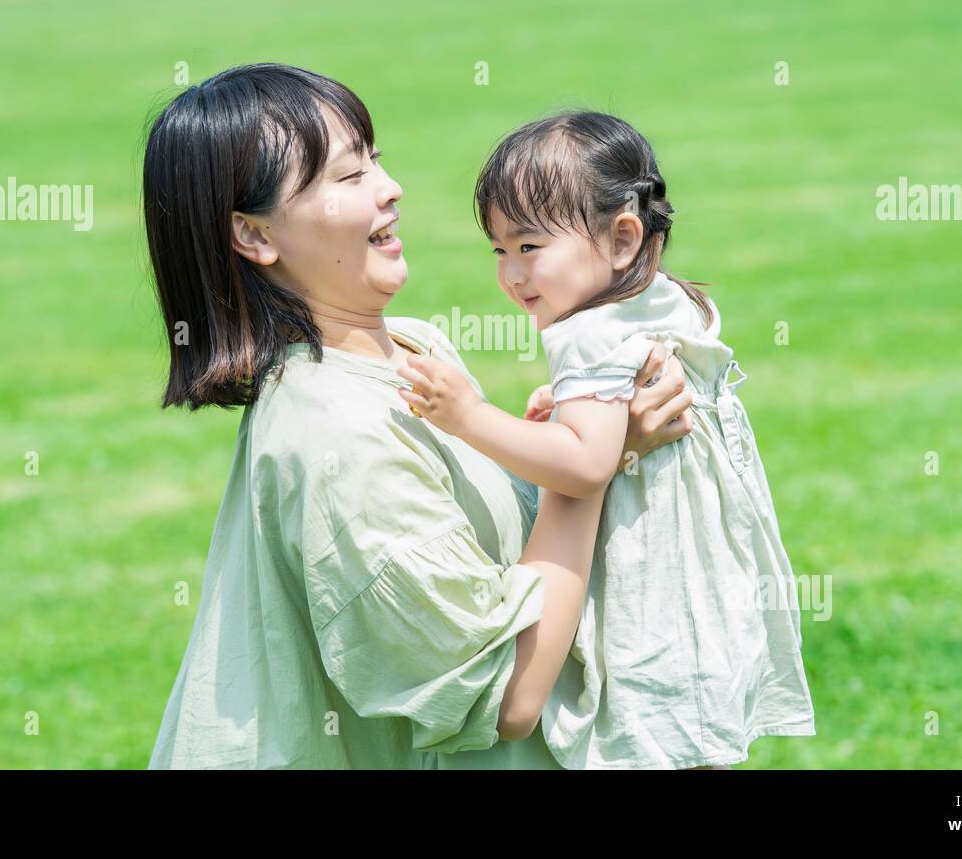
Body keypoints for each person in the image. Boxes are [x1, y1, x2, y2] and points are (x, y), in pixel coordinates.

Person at [140, 64, 695, 768]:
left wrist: (556, 446)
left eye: (373, 160)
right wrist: (588, 467)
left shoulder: (411, 347)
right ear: (254, 236)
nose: (390, 187)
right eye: (349, 176)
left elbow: (501, 565)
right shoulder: (337, 434)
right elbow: (507, 695)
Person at [397, 110, 817, 768]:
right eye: (500, 251)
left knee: (646, 728)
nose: (511, 275)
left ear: (623, 238)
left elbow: (587, 465)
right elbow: (607, 421)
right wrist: (569, 416)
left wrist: (469, 416)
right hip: (701, 568)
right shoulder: (665, 298)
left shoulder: (586, 333)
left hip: (645, 575)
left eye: (530, 246)